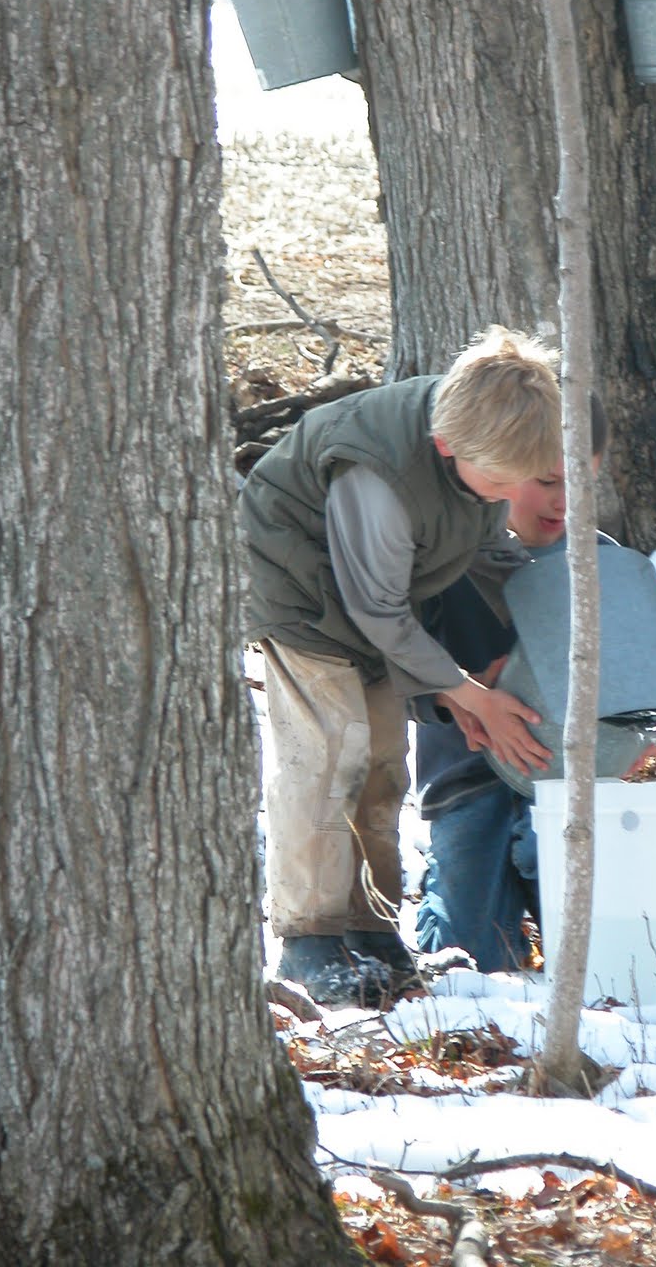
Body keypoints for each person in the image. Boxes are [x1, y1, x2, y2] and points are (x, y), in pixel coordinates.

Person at [238, 326, 558, 1005]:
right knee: (330, 756)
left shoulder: (481, 457)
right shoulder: (377, 474)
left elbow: (467, 552)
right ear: (447, 447)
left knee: (384, 765)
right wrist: (468, 694)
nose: (506, 493)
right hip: (301, 595)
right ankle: (308, 938)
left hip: (380, 602)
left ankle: (373, 928)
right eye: (499, 482)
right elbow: (378, 610)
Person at [413, 397, 609, 972]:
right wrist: (463, 692)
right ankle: (445, 888)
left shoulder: (602, 565)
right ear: (502, 469)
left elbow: (648, 682)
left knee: (593, 951)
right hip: (466, 782)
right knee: (469, 959)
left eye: (582, 482)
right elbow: (406, 673)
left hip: (566, 789)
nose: (564, 500)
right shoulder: (450, 564)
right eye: (547, 479)